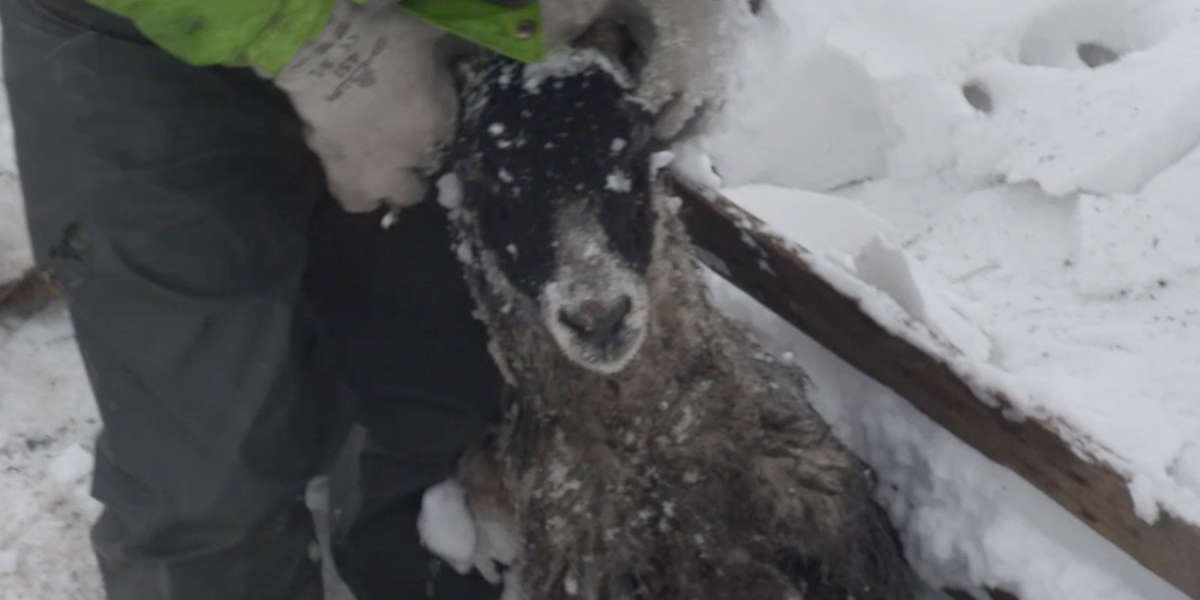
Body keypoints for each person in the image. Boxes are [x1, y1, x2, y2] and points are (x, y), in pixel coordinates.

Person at [0, 0, 742, 598]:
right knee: (205, 474)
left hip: (443, 35)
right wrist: (300, 34)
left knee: (433, 395)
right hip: (150, 37)